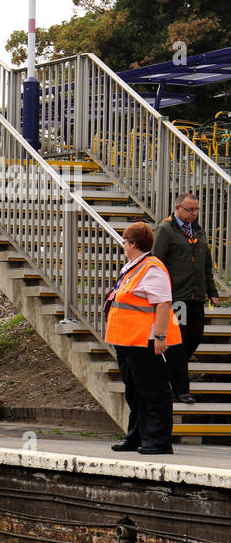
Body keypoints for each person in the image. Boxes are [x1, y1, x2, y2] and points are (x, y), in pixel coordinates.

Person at [106, 222, 182, 456]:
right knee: (134, 391)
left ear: (133, 244)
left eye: (125, 242)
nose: (123, 247)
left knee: (153, 391)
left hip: (145, 340)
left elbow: (163, 304)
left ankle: (159, 440)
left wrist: (160, 337)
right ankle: (136, 436)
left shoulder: (152, 267)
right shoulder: (132, 267)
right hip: (127, 340)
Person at [151, 193, 219, 404]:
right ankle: (181, 390)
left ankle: (168, 370)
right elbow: (157, 262)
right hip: (176, 296)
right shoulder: (166, 229)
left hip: (196, 295)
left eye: (196, 210)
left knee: (195, 336)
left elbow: (205, 263)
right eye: (190, 210)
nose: (194, 213)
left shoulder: (198, 230)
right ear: (178, 208)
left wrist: (212, 291)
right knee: (178, 343)